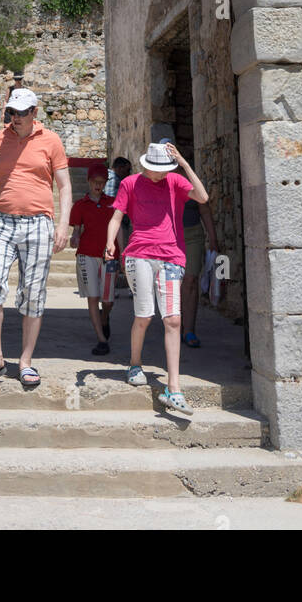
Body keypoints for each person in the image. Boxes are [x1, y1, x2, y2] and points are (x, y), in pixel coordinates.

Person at [0, 88, 72, 387]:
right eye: (12, 113)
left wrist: (63, 224)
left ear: (34, 113)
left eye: (21, 113)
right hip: (2, 221)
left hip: (39, 223)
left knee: (33, 292)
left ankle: (25, 361)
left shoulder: (51, 141)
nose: (15, 118)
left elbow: (65, 186)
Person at [104, 141, 210, 416]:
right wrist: (110, 243)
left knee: (173, 319)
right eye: (156, 170)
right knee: (144, 316)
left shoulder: (175, 180)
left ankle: (174, 388)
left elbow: (203, 197)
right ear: (145, 167)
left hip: (172, 256)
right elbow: (116, 217)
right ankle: (135, 363)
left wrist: (185, 164)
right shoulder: (130, 184)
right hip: (139, 255)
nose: (160, 174)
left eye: (165, 169)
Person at [70, 162, 119, 355]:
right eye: (95, 182)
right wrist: (74, 238)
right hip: (86, 254)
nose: (98, 185)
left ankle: (105, 317)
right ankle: (101, 339)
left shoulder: (113, 203)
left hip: (109, 255)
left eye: (102, 182)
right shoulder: (80, 205)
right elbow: (76, 230)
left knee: (108, 299)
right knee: (93, 297)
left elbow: (119, 231)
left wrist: (121, 251)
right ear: (89, 182)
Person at [181, 195, 218, 348]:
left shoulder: (192, 179)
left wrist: (213, 239)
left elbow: (204, 210)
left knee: (190, 280)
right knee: (173, 283)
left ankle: (189, 330)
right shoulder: (160, 175)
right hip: (168, 235)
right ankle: (175, 325)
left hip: (193, 236)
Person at [103, 157, 133, 295]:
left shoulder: (104, 177)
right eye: (127, 171)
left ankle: (108, 287)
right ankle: (119, 288)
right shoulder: (116, 181)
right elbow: (116, 205)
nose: (128, 174)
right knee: (120, 255)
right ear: (120, 168)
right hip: (117, 224)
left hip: (104, 223)